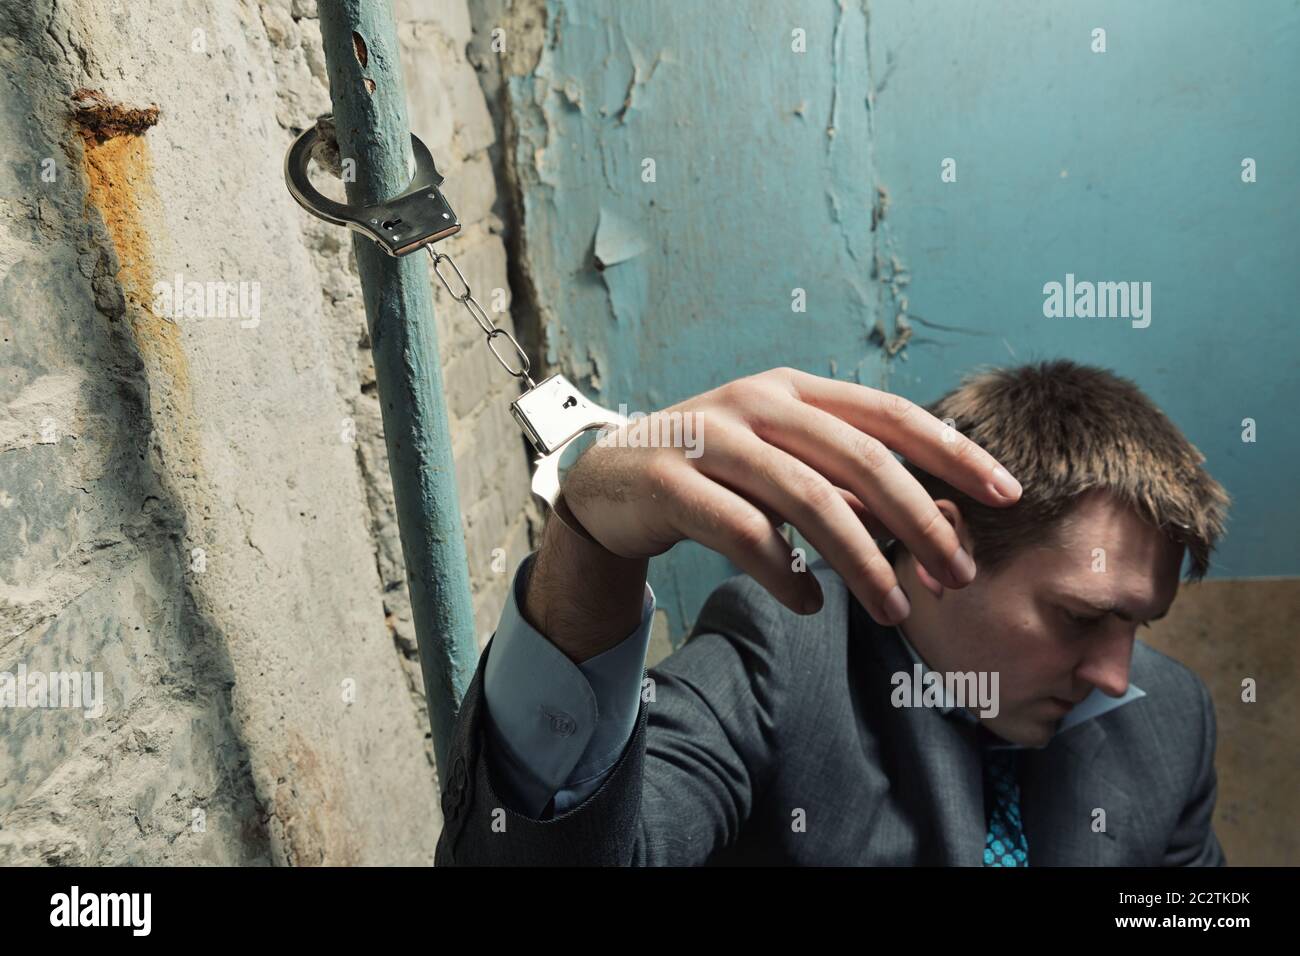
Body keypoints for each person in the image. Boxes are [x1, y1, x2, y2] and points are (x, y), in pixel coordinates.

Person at [435, 359, 1230, 865]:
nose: (1116, 677)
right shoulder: (781, 653)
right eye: (1081, 617)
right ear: (936, 552)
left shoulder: (1170, 722)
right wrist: (591, 556)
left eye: (1138, 622)